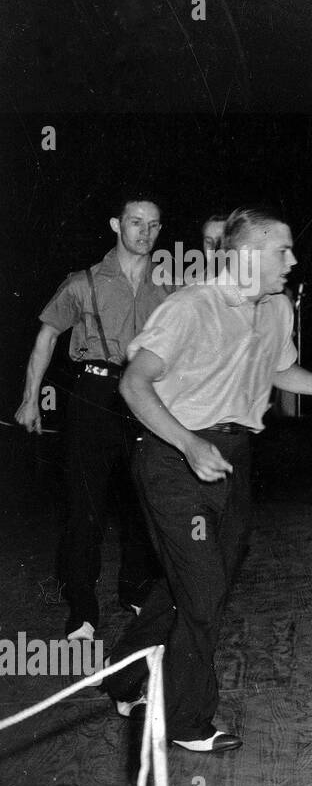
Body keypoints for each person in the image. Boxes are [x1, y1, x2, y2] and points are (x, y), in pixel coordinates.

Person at [108, 206, 312, 752]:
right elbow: (135, 385)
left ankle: (124, 675)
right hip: (171, 456)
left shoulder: (274, 309)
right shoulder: (190, 307)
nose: (293, 261)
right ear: (248, 256)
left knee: (199, 581)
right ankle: (185, 721)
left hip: (232, 455)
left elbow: (277, 369)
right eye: (283, 251)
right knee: (202, 590)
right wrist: (187, 441)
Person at [15, 193, 170, 640]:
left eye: (154, 224)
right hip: (94, 393)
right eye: (136, 222)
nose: (145, 231)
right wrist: (31, 398)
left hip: (144, 395)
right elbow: (46, 338)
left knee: (144, 499)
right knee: (86, 508)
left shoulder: (168, 287)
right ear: (116, 225)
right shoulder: (83, 282)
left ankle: (135, 590)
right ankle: (82, 608)